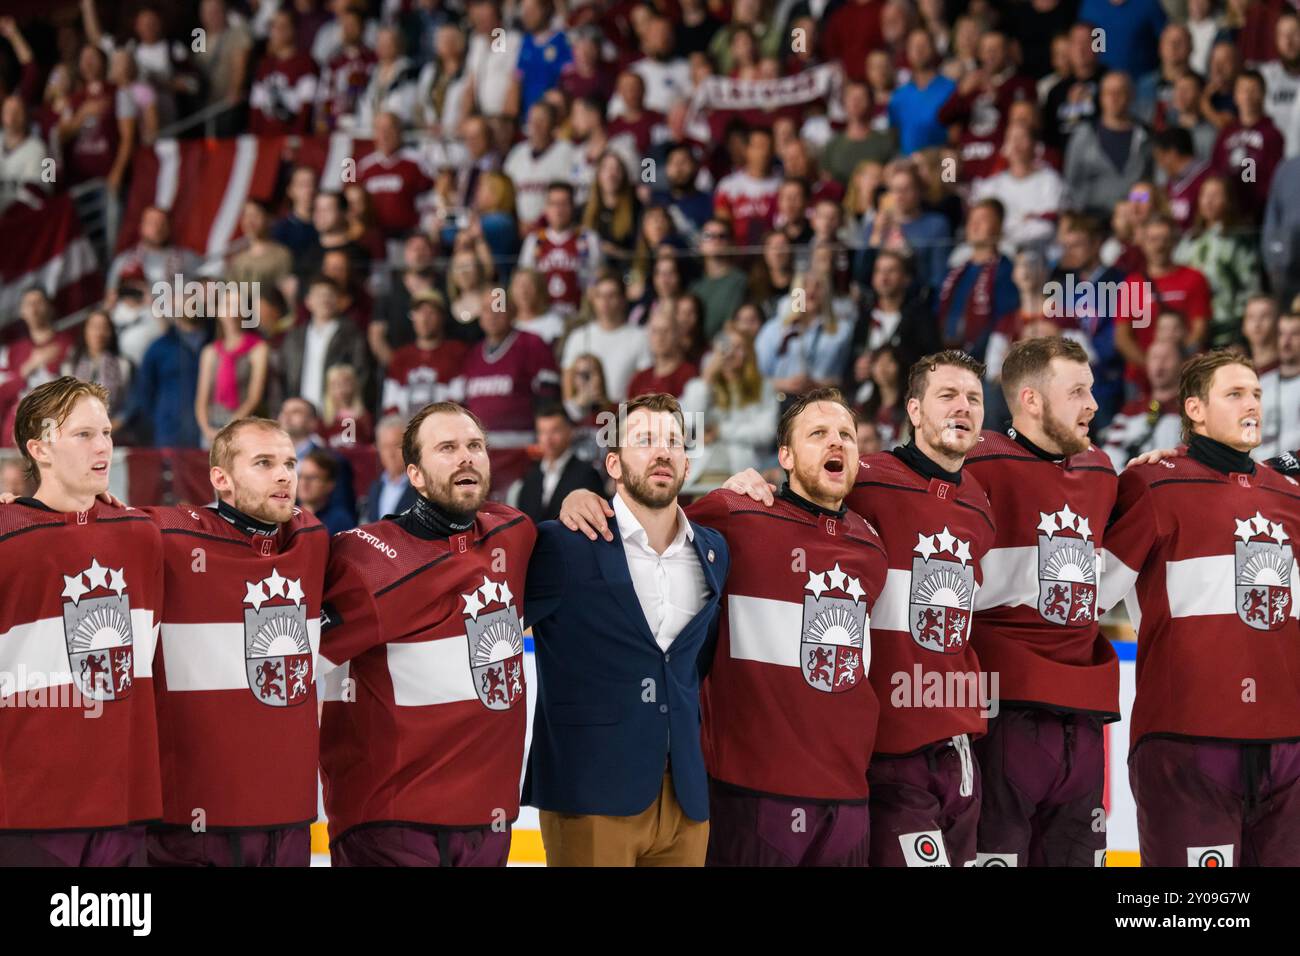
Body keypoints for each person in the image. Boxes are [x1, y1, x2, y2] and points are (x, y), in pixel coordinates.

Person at [558, 387, 889, 866]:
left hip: (849, 796)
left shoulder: (872, 543)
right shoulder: (735, 512)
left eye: (846, 435)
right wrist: (580, 498)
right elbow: (648, 525)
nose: (836, 443)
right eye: (817, 434)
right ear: (785, 456)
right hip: (751, 793)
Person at [720, 350, 996, 867]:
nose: (962, 407)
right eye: (947, 395)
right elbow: (804, 494)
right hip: (882, 756)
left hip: (957, 749)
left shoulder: (980, 503)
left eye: (974, 398)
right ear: (913, 410)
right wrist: (743, 483)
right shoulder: (863, 478)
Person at [1099, 350, 1300, 866]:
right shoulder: (1151, 484)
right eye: (1234, 394)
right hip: (1186, 740)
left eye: (1255, 393)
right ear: (1195, 409)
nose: (1251, 404)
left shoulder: (1290, 497)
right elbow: (1089, 597)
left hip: (1288, 746)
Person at [319, 402, 538, 866]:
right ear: (414, 474)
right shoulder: (363, 560)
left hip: (488, 822)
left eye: (475, 445)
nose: (466, 457)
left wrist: (583, 498)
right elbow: (291, 665)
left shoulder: (514, 534)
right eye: (447, 448)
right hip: (390, 825)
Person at [523, 393, 728, 866]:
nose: (662, 451)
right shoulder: (563, 544)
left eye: (674, 442)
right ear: (612, 462)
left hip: (686, 798)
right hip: (589, 790)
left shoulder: (714, 551)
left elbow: (694, 662)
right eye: (645, 440)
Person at [143, 416, 328, 866]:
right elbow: (75, 531)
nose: (285, 474)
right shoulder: (162, 534)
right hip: (189, 825)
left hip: (286, 821)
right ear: (220, 479)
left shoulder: (313, 539)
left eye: (289, 462)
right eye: (264, 462)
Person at [962, 337, 1118, 867]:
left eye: (1091, 389)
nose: (1092, 404)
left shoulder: (1102, 469)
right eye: (1076, 391)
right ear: (1030, 400)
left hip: (1085, 714)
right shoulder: (970, 465)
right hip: (1001, 712)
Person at [0, 378, 163, 865]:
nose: (103, 447)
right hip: (26, 810)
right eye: (83, 435)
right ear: (39, 448)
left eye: (107, 433)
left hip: (124, 807)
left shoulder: (142, 533)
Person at [510, 403, 605, 524]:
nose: (548, 439)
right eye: (543, 432)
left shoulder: (587, 474)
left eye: (555, 431)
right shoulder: (530, 476)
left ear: (569, 431)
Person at [1102, 338, 1184, 471]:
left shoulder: (1191, 410)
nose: (1160, 364)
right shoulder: (1130, 410)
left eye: (1167, 358)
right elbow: (1111, 453)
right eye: (1154, 358)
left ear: (1182, 364)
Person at [298, 447, 357, 535]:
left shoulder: (340, 522)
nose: (304, 483)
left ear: (330, 485)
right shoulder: (284, 517)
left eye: (312, 477)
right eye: (301, 476)